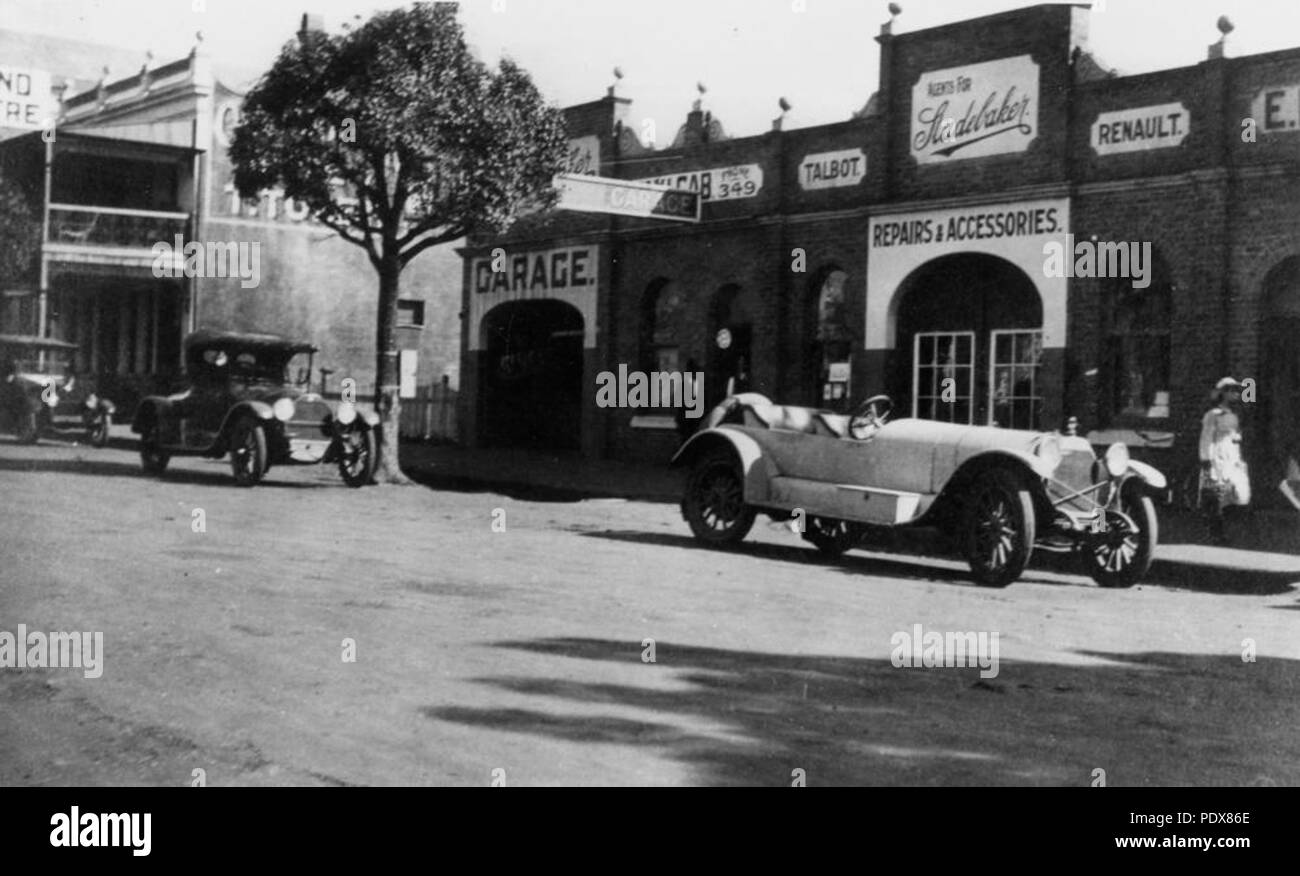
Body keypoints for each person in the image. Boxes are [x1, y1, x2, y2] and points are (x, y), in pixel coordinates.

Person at [1198, 376, 1251, 542]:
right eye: (1232, 390)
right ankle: (1216, 534)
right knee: (1216, 496)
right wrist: (1207, 460)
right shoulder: (1212, 415)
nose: (1236, 394)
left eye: (1237, 391)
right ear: (1224, 393)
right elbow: (1206, 438)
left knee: (1236, 494)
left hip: (1231, 457)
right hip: (1217, 457)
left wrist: (1239, 457)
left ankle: (1228, 531)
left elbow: (1235, 437)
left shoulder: (1233, 415)